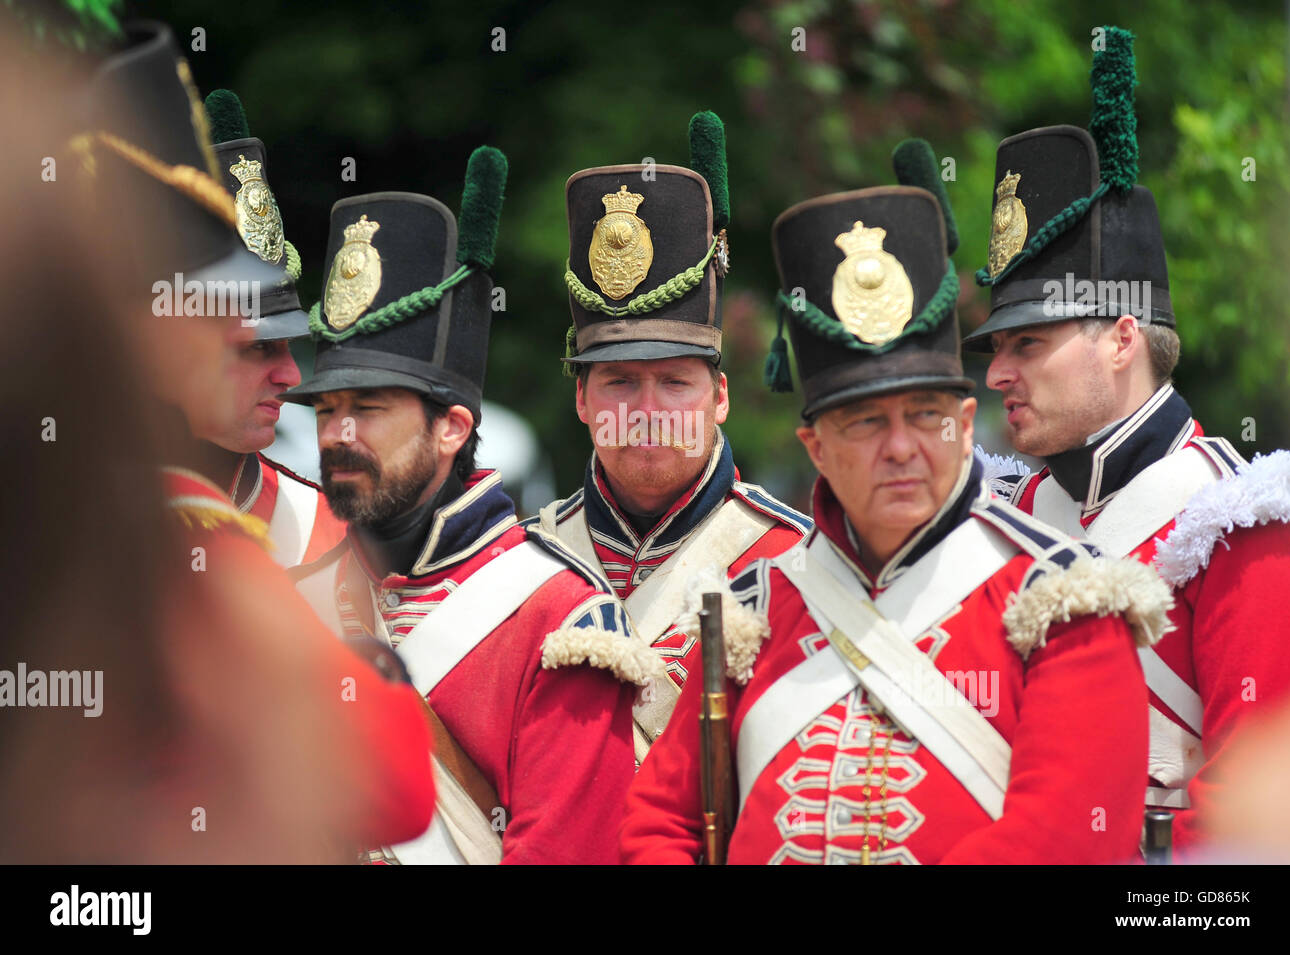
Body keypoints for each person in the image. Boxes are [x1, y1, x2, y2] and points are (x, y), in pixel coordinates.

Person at [621, 140, 1169, 864]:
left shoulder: (1070, 607)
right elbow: (658, 826)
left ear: (967, 424)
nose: (903, 447)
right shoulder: (757, 609)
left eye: (927, 414)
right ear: (815, 445)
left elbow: (1062, 840)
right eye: (867, 422)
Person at [2, 18, 436, 861]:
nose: (286, 375)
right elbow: (388, 780)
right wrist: (375, 678)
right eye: (226, 330)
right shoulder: (191, 547)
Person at [964, 26, 1290, 857]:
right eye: (996, 350)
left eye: (1027, 345)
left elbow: (1250, 823)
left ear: (1121, 339)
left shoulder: (1235, 520)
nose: (998, 374)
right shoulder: (1000, 515)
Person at [284, 154, 656, 864]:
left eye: (367, 407)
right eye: (327, 409)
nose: (338, 434)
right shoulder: (291, 587)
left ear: (451, 426)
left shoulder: (559, 619)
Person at [529, 112, 810, 760]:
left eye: (676, 383)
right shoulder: (528, 561)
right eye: (620, 381)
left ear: (721, 398)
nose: (648, 409)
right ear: (580, 397)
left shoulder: (795, 560)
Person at [177, 88, 345, 568]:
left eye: (289, 347)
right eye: (258, 349)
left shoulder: (328, 538)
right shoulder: (66, 520)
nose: (292, 376)